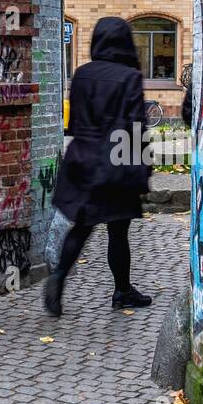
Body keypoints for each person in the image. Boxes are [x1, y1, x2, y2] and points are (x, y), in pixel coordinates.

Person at [45, 17, 155, 317]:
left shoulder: (81, 74)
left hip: (82, 160)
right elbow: (134, 126)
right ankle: (122, 290)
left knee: (82, 226)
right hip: (115, 164)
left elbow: (74, 122)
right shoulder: (129, 76)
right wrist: (142, 170)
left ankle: (59, 276)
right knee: (118, 231)